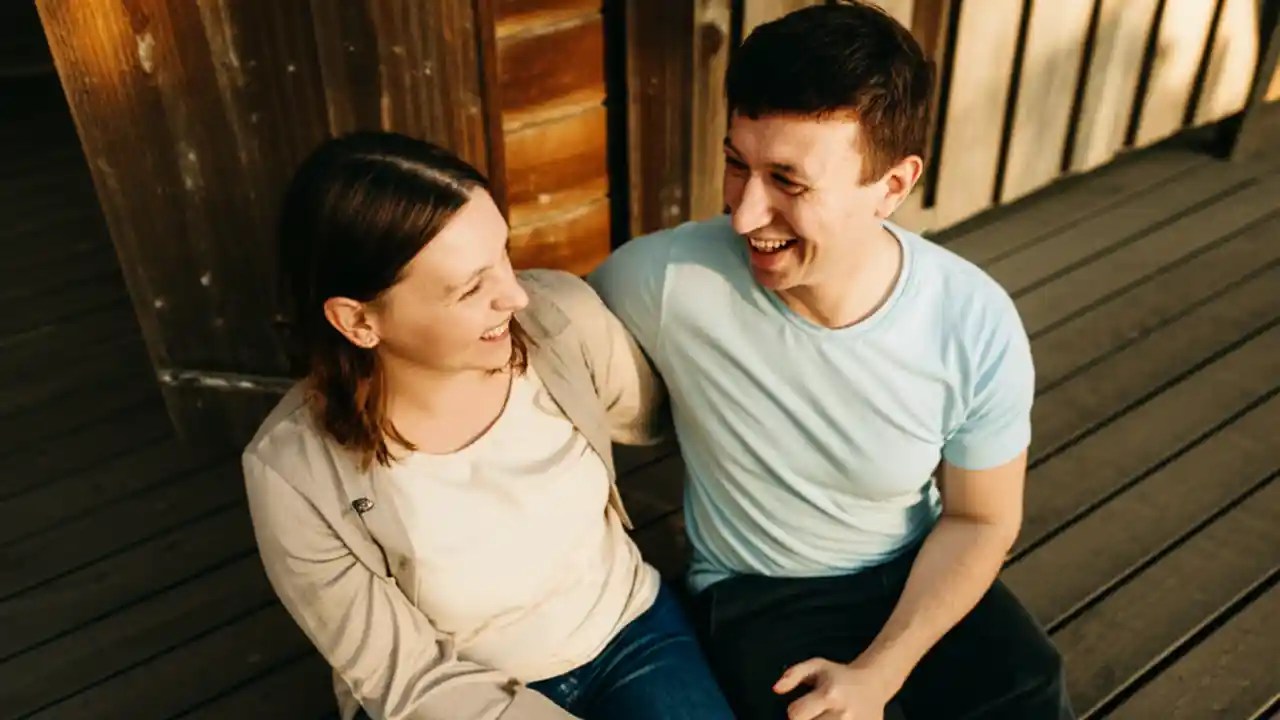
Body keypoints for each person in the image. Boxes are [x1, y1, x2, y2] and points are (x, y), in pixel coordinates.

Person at [588, 3, 1073, 719]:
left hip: (916, 563)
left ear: (893, 186)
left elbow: (980, 520)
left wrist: (881, 670)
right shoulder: (665, 280)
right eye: (735, 163)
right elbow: (532, 332)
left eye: (788, 181)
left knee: (1030, 691)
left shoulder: (972, 321)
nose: (745, 214)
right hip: (759, 588)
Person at [242, 132, 734, 720]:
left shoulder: (563, 321)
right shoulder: (292, 474)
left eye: (503, 252)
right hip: (457, 698)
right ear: (359, 320)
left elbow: (682, 420)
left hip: (631, 634)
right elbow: (408, 679)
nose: (516, 295)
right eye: (471, 288)